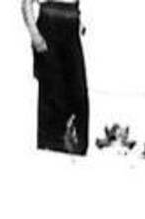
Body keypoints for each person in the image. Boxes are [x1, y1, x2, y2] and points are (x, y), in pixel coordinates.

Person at [23, 1, 89, 155]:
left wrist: (79, 22)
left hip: (71, 28)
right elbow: (26, 4)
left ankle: (75, 146)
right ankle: (52, 146)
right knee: (52, 90)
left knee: (78, 92)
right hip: (49, 26)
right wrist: (34, 34)